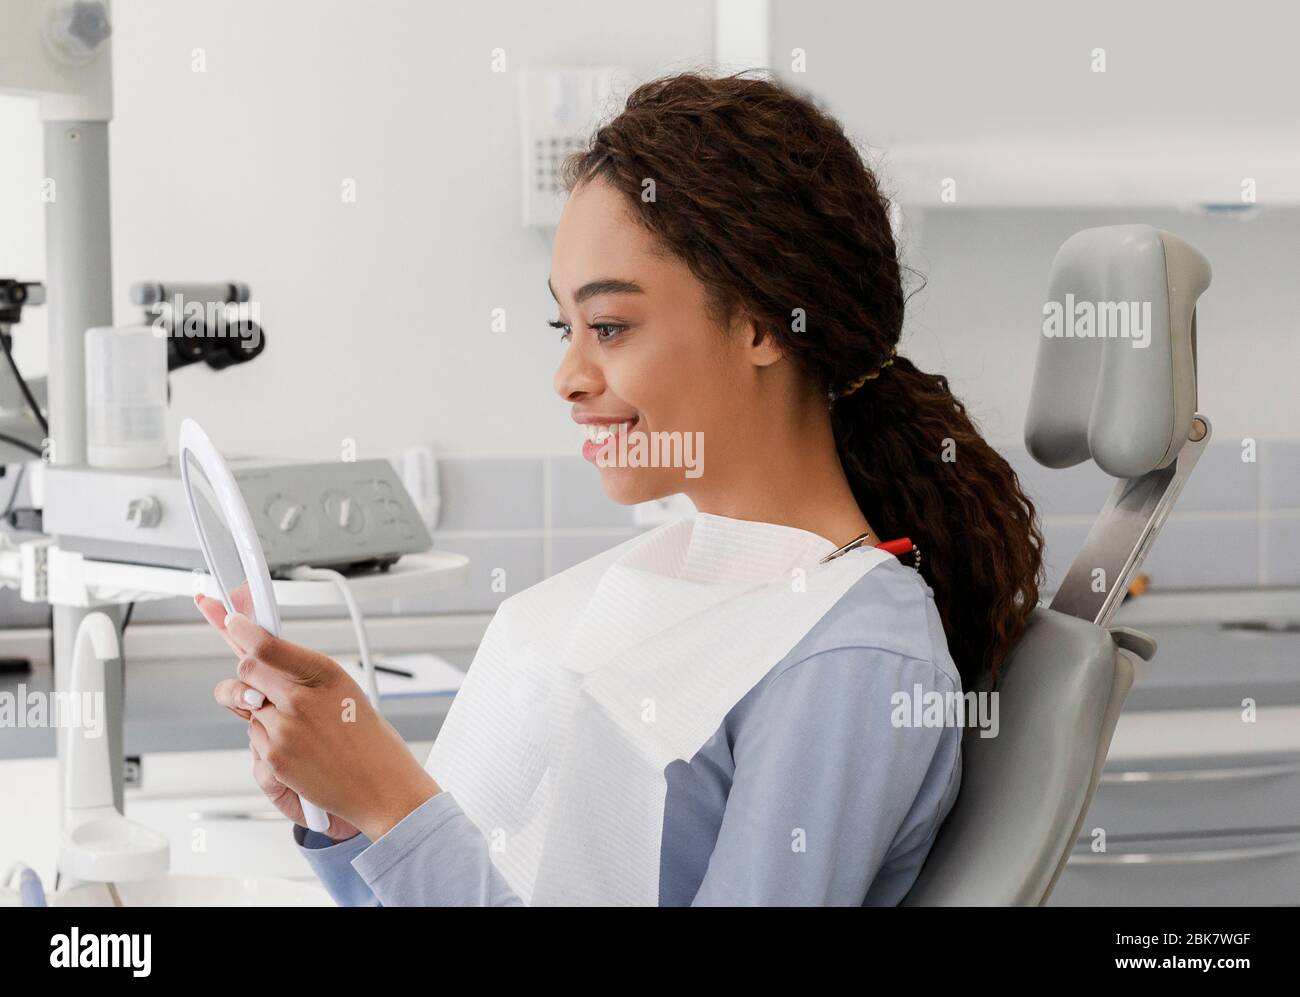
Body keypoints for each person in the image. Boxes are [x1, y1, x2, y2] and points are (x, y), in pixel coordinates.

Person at [197, 70, 1043, 906]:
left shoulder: (852, 656)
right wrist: (352, 823)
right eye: (564, 327)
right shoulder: (679, 578)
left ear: (761, 321)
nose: (568, 375)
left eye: (608, 327)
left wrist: (393, 802)